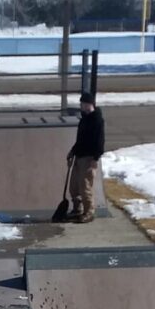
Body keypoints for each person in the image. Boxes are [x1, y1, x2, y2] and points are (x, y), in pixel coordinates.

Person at [67, 93, 105, 222]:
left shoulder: (97, 120)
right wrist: (72, 152)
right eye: (81, 104)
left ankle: (89, 212)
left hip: (89, 158)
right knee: (74, 186)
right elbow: (80, 139)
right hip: (79, 155)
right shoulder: (84, 119)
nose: (81, 106)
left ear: (90, 104)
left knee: (85, 186)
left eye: (83, 104)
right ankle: (77, 208)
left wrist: (95, 158)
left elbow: (100, 141)